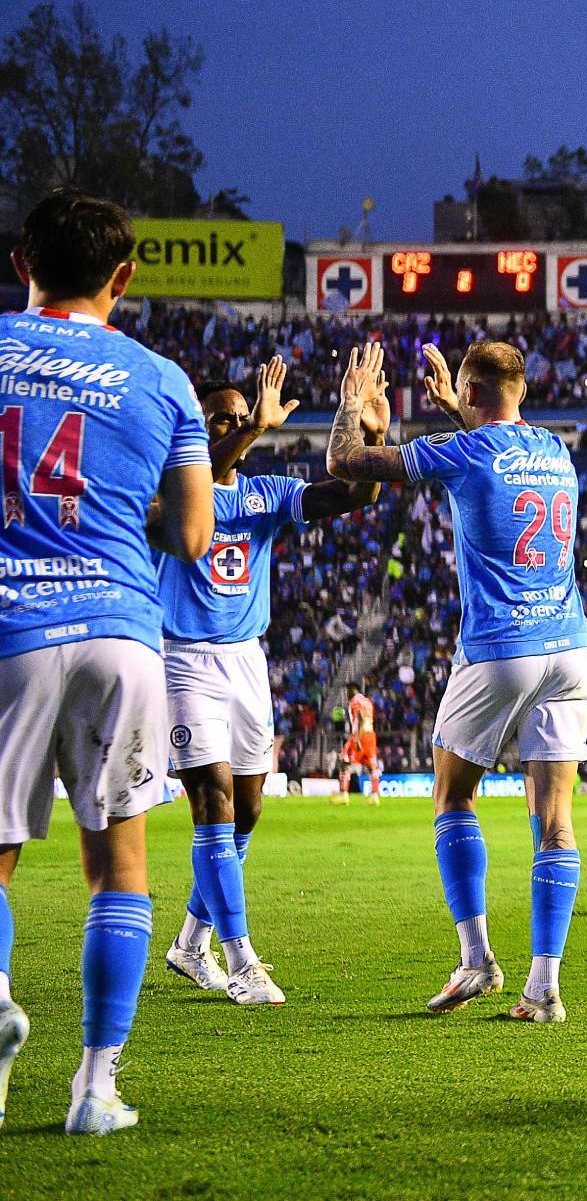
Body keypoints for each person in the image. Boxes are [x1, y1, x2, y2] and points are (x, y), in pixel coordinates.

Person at [0, 189, 215, 1134]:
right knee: (118, 869)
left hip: (9, 628)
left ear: (22, 266)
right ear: (122, 279)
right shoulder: (163, 377)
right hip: (122, 633)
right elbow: (197, 534)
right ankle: (96, 1089)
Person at [326, 340, 587, 1022]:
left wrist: (354, 403)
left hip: (500, 648)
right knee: (555, 823)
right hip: (569, 649)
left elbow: (345, 464)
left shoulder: (464, 450)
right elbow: (499, 438)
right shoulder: (556, 450)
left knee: (452, 796)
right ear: (522, 391)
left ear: (470, 395)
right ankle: (545, 989)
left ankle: (477, 959)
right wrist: (460, 405)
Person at [157, 356, 385, 1004]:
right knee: (214, 806)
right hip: (184, 659)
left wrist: (368, 438)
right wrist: (254, 425)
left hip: (246, 661)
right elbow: (203, 476)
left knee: (249, 812)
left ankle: (190, 941)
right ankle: (241, 960)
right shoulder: (167, 486)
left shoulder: (266, 494)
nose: (233, 425)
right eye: (220, 420)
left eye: (238, 417)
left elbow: (349, 496)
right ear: (193, 428)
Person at [335, 682, 381, 806]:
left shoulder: (355, 701)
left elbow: (360, 717)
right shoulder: (368, 701)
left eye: (348, 691)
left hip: (360, 735)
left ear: (353, 690)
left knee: (344, 761)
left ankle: (343, 795)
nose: (347, 694)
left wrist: (357, 738)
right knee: (372, 766)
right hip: (371, 734)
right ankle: (375, 796)